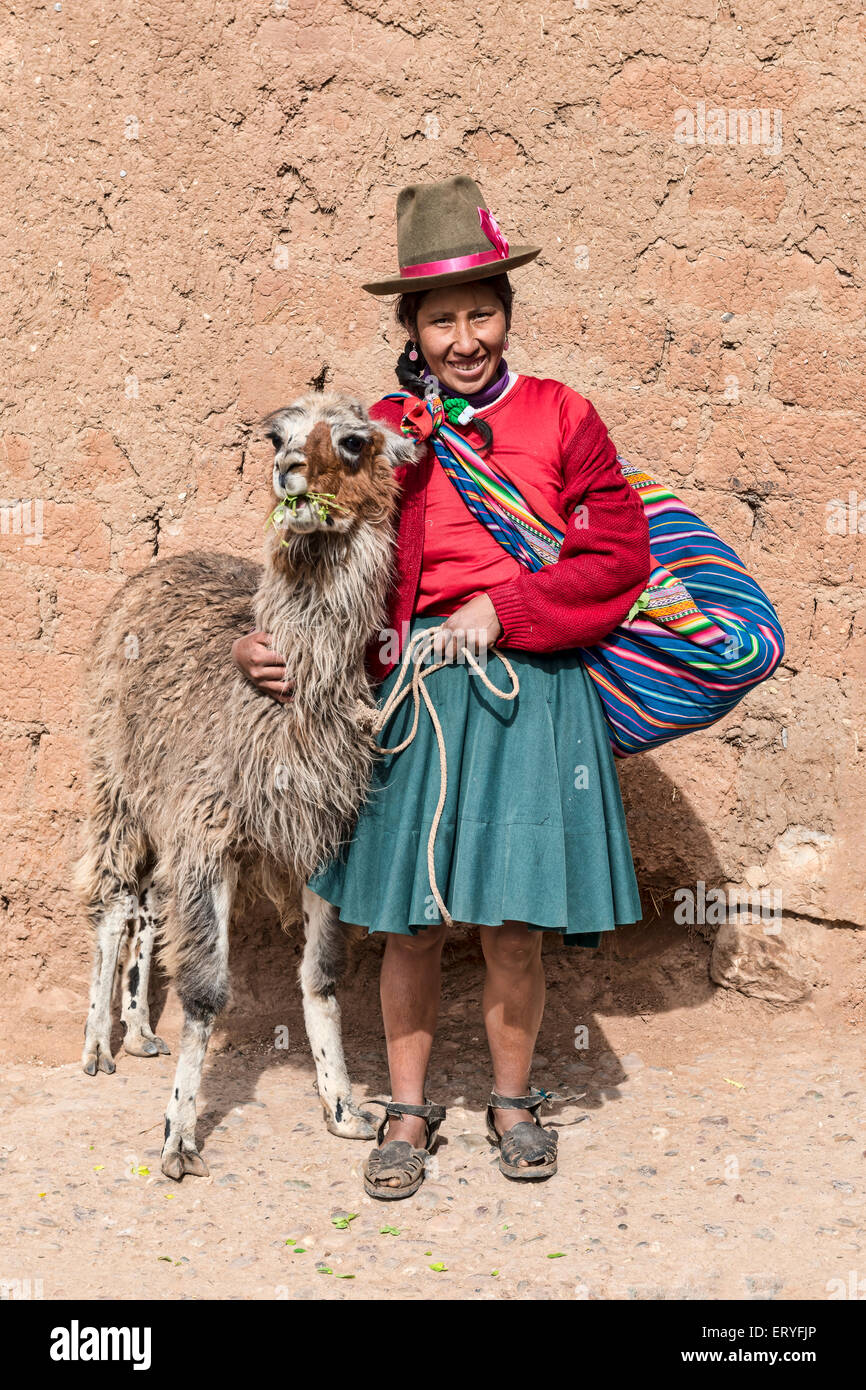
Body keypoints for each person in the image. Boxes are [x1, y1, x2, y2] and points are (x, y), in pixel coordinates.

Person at [233, 175, 651, 1199]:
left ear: (506, 315)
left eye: (481, 313)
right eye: (441, 318)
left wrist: (505, 612)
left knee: (511, 924)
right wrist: (263, 640)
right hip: (412, 697)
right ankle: (407, 1109)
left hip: (526, 693)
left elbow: (616, 557)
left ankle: (512, 1100)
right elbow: (305, 546)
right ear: (410, 327)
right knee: (408, 920)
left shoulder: (563, 419)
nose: (464, 337)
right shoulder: (373, 430)